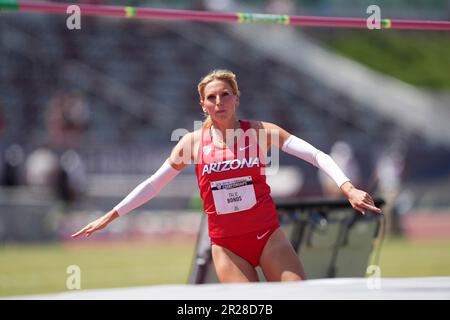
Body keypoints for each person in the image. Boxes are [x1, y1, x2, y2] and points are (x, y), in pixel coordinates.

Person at [72, 69, 382, 283]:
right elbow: (154, 183)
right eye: (212, 98)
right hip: (227, 246)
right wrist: (112, 214)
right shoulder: (192, 143)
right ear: (202, 104)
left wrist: (348, 188)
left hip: (268, 237)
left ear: (237, 98)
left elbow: (316, 155)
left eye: (225, 95)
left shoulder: (262, 132)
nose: (218, 103)